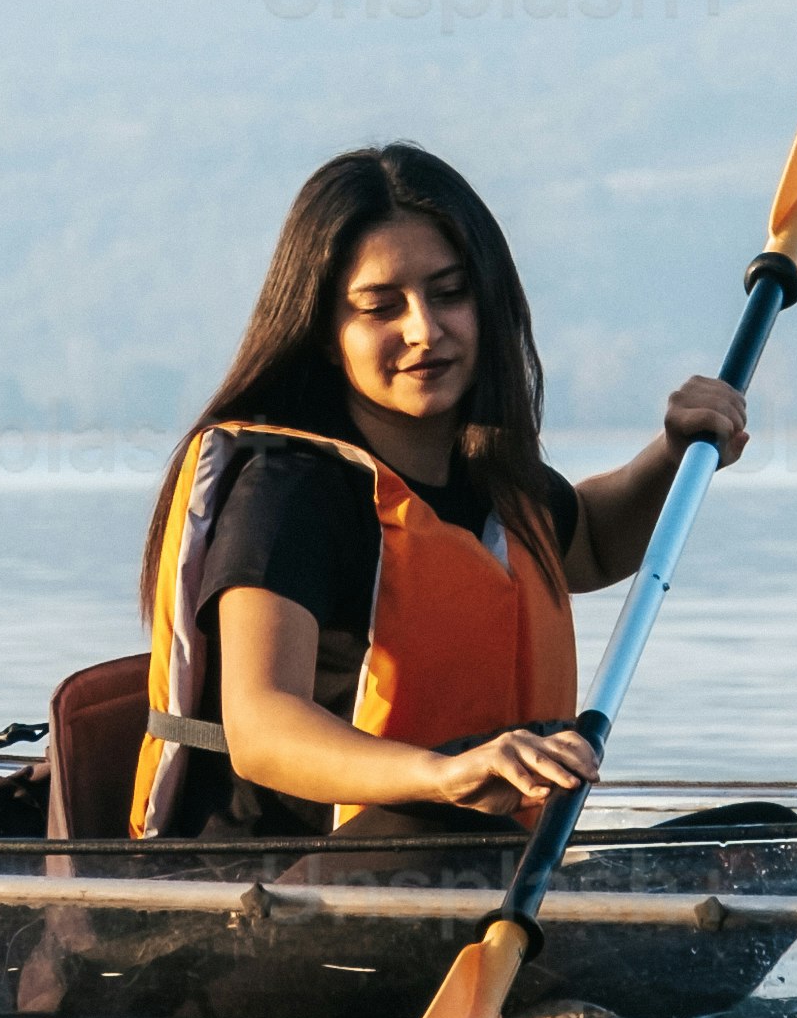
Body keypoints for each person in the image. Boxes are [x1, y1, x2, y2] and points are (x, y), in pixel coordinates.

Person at [130, 144, 749, 844]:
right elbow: (262, 727)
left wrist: (676, 453)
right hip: (272, 885)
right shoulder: (287, 490)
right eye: (379, 307)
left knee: (761, 842)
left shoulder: (483, 474)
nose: (424, 330)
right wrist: (441, 775)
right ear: (327, 334)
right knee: (454, 837)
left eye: (449, 294)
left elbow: (594, 544)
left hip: (463, 860)